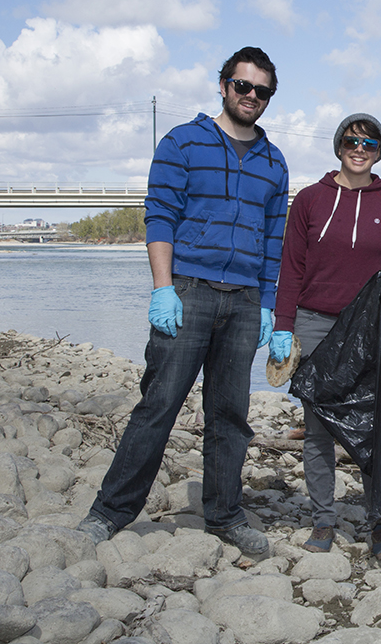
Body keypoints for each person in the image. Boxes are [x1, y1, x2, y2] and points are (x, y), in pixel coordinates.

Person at [78, 47, 289, 560]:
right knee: (159, 405)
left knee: (230, 415)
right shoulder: (183, 142)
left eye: (262, 91)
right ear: (222, 86)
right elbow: (160, 217)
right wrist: (161, 287)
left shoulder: (274, 162)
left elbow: (274, 239)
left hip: (242, 303)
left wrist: (268, 305)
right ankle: (109, 512)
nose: (252, 97)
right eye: (243, 86)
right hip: (188, 291)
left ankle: (224, 515)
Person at [270, 112, 381, 560]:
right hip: (314, 323)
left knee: (374, 427)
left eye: (370, 142)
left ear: (378, 151)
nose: (360, 147)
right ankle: (323, 520)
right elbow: (291, 267)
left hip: (368, 327)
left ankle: (380, 522)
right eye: (352, 140)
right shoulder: (311, 200)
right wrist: (282, 326)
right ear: (339, 146)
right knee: (317, 430)